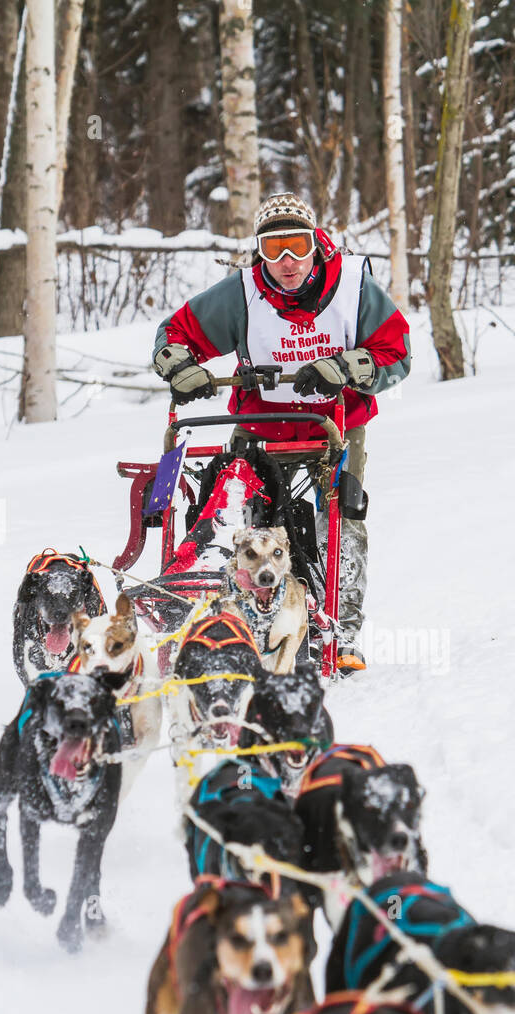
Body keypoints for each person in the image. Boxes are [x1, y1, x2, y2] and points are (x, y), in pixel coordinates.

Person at [152, 192, 411, 673]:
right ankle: (239, 619)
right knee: (245, 517)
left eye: (297, 245)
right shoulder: (242, 292)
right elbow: (175, 333)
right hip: (260, 423)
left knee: (340, 517)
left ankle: (340, 629)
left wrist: (347, 366)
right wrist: (180, 364)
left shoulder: (354, 286)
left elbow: (397, 354)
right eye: (274, 249)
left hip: (335, 424)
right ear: (259, 252)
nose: (287, 262)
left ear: (318, 245)